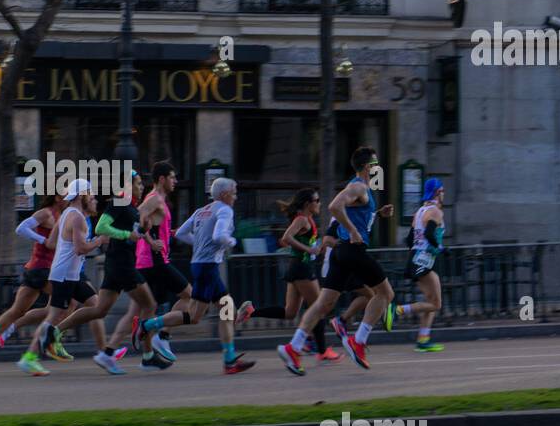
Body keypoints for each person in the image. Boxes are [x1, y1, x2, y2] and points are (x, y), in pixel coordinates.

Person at [277, 147, 394, 374]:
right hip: (352, 249)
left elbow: (353, 214)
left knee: (324, 303)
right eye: (376, 163)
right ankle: (358, 342)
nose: (379, 167)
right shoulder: (358, 185)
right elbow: (334, 206)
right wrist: (352, 231)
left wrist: (378, 214)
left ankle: (294, 347)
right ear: (368, 167)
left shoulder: (364, 190)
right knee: (386, 294)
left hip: (341, 251)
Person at [141, 177, 256, 374]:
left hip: (201, 265)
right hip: (208, 267)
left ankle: (229, 360)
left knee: (226, 311)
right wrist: (232, 242)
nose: (236, 197)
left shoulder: (202, 210)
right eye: (234, 193)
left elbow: (181, 234)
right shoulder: (225, 210)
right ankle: (148, 325)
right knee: (194, 317)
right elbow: (219, 236)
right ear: (225, 194)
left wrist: (201, 246)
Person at [50, 172, 156, 375]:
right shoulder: (118, 203)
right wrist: (128, 234)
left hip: (117, 264)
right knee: (149, 305)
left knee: (99, 310)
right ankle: (141, 354)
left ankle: (55, 331)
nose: (142, 187)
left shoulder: (132, 208)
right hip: (122, 264)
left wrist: (143, 229)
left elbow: (131, 234)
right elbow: (101, 227)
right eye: (139, 183)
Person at [16, 179, 108, 376]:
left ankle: (99, 350)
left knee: (96, 305)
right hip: (65, 275)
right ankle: (30, 357)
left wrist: (67, 249)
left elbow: (50, 243)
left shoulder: (66, 213)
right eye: (90, 194)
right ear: (82, 195)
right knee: (53, 317)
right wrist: (98, 241)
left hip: (69, 273)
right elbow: (80, 248)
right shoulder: (76, 218)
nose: (94, 197)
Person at [109, 160, 190, 368]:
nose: (175, 181)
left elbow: (148, 223)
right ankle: (161, 336)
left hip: (148, 261)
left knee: (139, 311)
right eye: (172, 177)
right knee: (189, 295)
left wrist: (168, 233)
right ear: (162, 179)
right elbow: (137, 219)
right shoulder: (153, 199)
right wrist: (150, 240)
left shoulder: (159, 200)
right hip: (154, 261)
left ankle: (116, 352)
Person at [0, 193, 64, 369]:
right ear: (57, 197)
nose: (69, 196)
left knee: (17, 310)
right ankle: (44, 347)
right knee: (66, 304)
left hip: (37, 269)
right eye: (66, 193)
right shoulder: (46, 213)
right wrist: (43, 240)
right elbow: (21, 228)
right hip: (42, 269)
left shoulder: (61, 215)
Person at [250, 188, 340, 362]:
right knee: (318, 307)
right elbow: (286, 237)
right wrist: (308, 249)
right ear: (308, 204)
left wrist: (317, 248)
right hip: (302, 268)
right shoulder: (301, 219)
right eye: (317, 200)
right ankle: (321, 350)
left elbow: (305, 241)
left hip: (298, 266)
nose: (319, 203)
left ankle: (251, 312)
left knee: (290, 312)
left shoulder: (308, 219)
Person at [393, 177, 446, 352]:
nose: (444, 193)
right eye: (442, 190)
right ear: (438, 192)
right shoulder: (436, 212)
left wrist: (419, 251)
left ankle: (423, 340)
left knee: (431, 301)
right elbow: (430, 234)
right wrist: (440, 248)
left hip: (415, 259)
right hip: (423, 261)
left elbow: (409, 239)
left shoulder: (419, 211)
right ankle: (397, 310)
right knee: (436, 304)